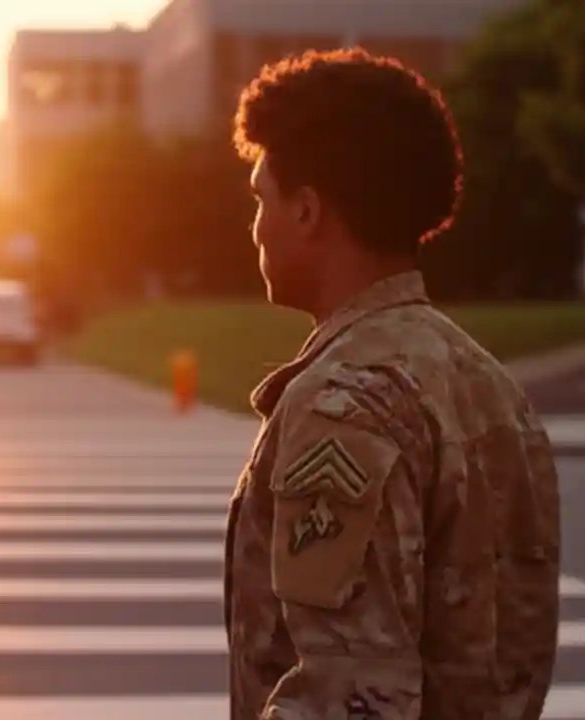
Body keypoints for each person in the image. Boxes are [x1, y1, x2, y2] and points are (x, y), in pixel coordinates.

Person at [224, 49, 561, 720]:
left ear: (307, 211)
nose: (254, 225)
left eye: (262, 198)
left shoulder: (343, 406)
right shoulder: (486, 384)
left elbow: (347, 697)